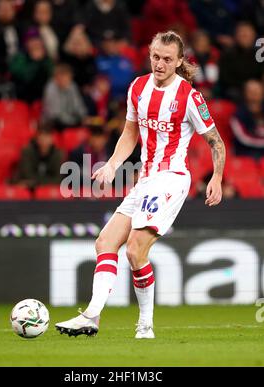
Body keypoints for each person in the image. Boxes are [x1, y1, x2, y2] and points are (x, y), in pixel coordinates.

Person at [55, 31, 226, 339]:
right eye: (156, 57)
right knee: (105, 244)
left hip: (171, 179)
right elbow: (130, 133)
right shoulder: (138, 88)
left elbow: (215, 141)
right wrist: (111, 165)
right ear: (149, 55)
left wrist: (216, 177)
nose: (160, 64)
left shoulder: (189, 96)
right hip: (145, 179)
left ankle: (145, 325)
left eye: (167, 59)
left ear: (178, 62)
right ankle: (91, 316)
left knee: (135, 250)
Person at [14, 122, 63, 189]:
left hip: (43, 188)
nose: (44, 139)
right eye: (42, 135)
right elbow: (27, 175)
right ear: (37, 138)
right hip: (29, 190)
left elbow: (58, 179)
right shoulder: (27, 152)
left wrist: (35, 183)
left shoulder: (58, 154)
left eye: (47, 136)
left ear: (52, 138)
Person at [9, 29, 53, 102]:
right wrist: (35, 62)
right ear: (26, 43)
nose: (35, 43)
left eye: (38, 40)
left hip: (44, 95)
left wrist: (42, 61)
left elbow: (51, 75)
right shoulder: (20, 57)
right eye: (32, 41)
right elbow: (25, 78)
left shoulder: (46, 58)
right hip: (24, 95)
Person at [42, 63, 87, 131]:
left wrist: (83, 116)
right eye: (62, 77)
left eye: (68, 78)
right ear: (56, 77)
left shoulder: (72, 86)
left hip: (69, 120)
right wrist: (73, 121)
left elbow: (78, 104)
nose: (65, 80)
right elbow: (55, 113)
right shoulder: (51, 88)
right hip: (53, 122)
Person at [230, 79, 264, 159]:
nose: (254, 94)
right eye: (250, 91)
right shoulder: (238, 115)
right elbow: (244, 138)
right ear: (245, 93)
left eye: (257, 91)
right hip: (246, 153)